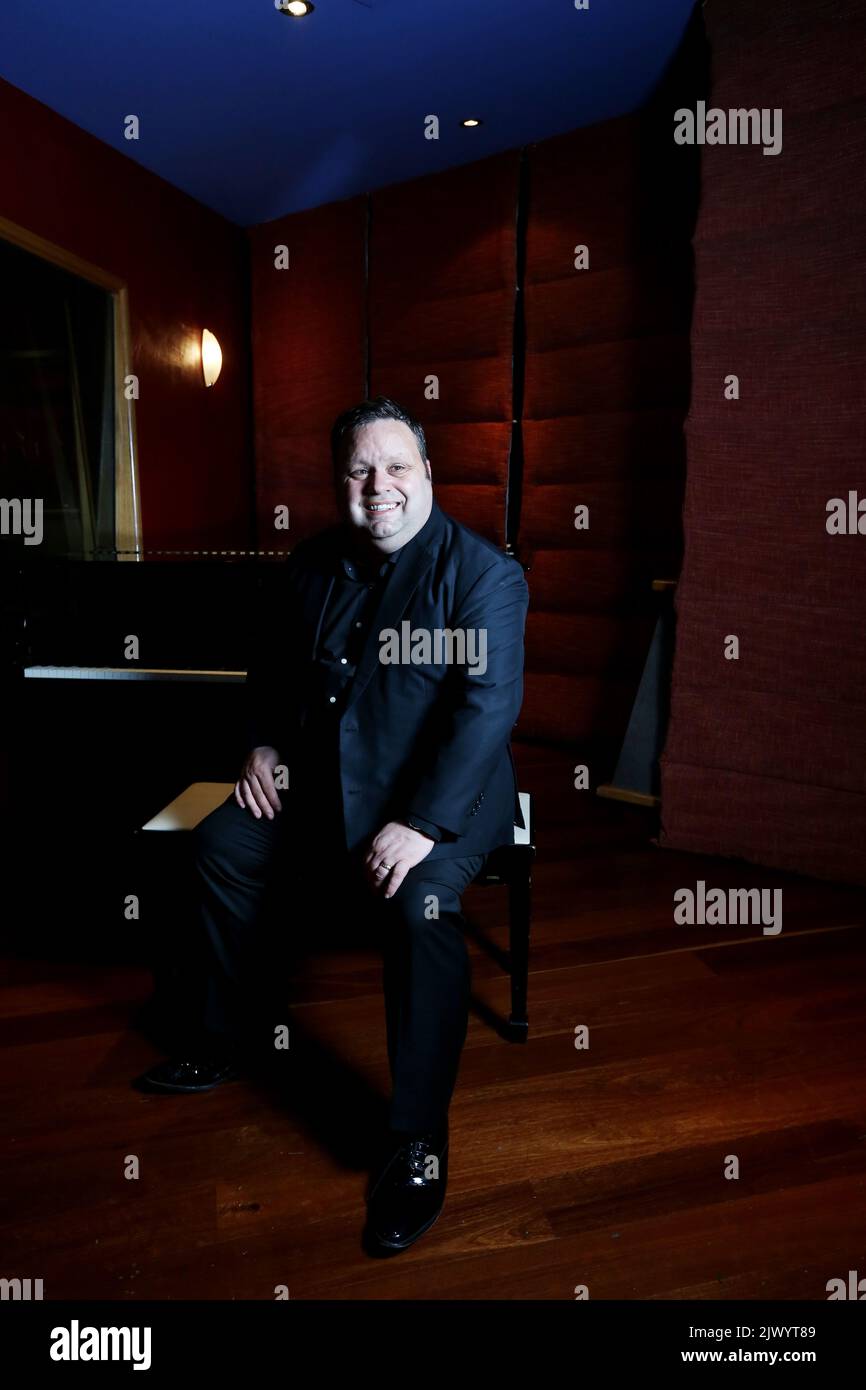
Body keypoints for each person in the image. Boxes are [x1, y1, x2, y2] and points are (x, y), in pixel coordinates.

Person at [137, 396, 529, 1255]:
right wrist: (263, 745)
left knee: (421, 906)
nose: (377, 486)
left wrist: (422, 823)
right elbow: (269, 671)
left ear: (426, 474)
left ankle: (418, 1139)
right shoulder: (310, 563)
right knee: (218, 845)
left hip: (441, 795)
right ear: (339, 481)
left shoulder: (483, 576)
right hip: (327, 779)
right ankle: (220, 1035)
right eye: (359, 470)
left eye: (396, 467)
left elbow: (486, 709)